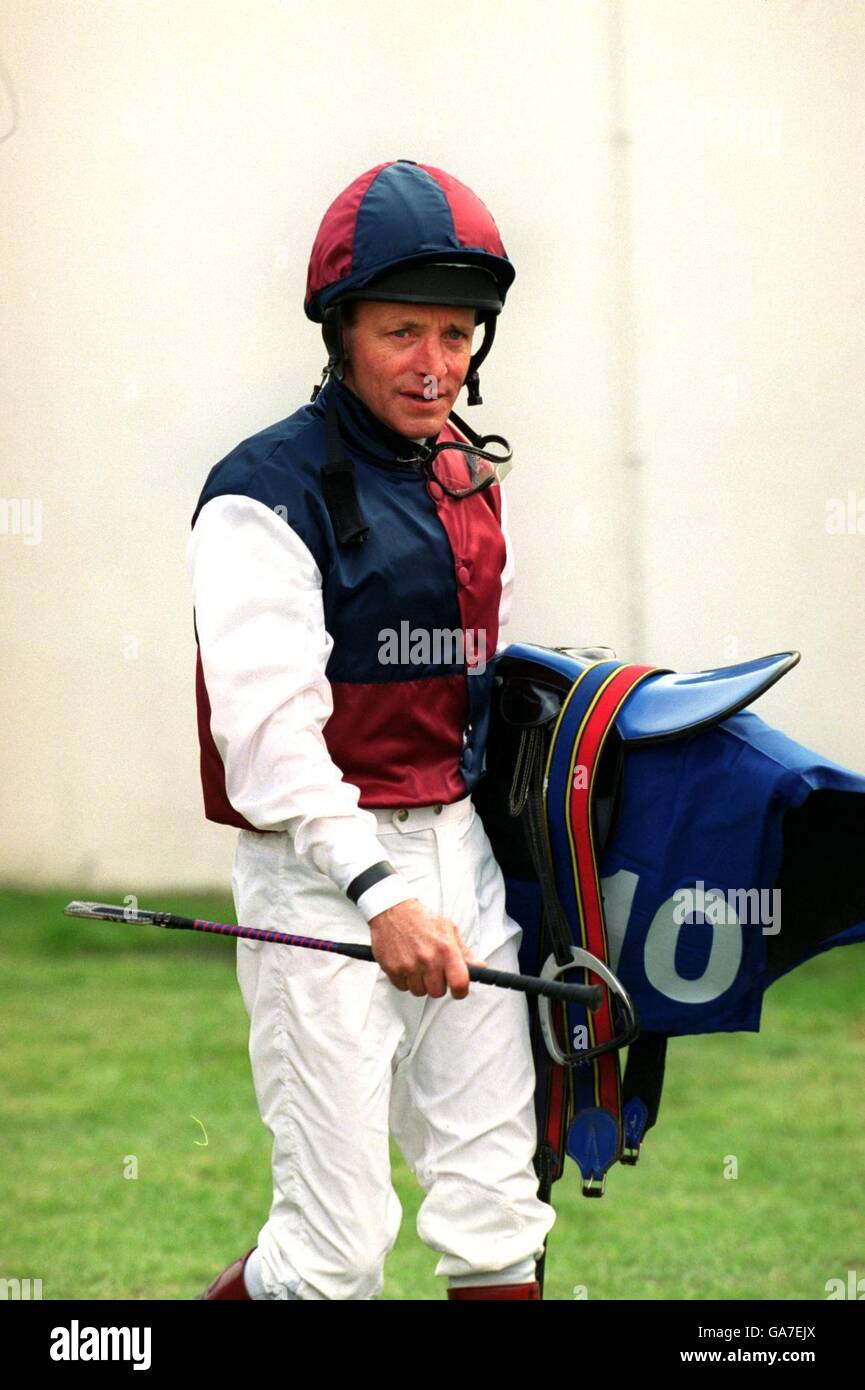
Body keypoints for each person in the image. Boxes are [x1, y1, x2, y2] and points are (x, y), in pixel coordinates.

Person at [187, 159, 556, 1301]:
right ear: (341, 332)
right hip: (320, 877)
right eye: (403, 332)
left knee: (498, 1212)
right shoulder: (260, 491)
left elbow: (477, 690)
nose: (436, 363)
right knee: (336, 1252)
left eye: (456, 334)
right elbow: (269, 745)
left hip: (459, 855)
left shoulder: (470, 479)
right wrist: (381, 894)